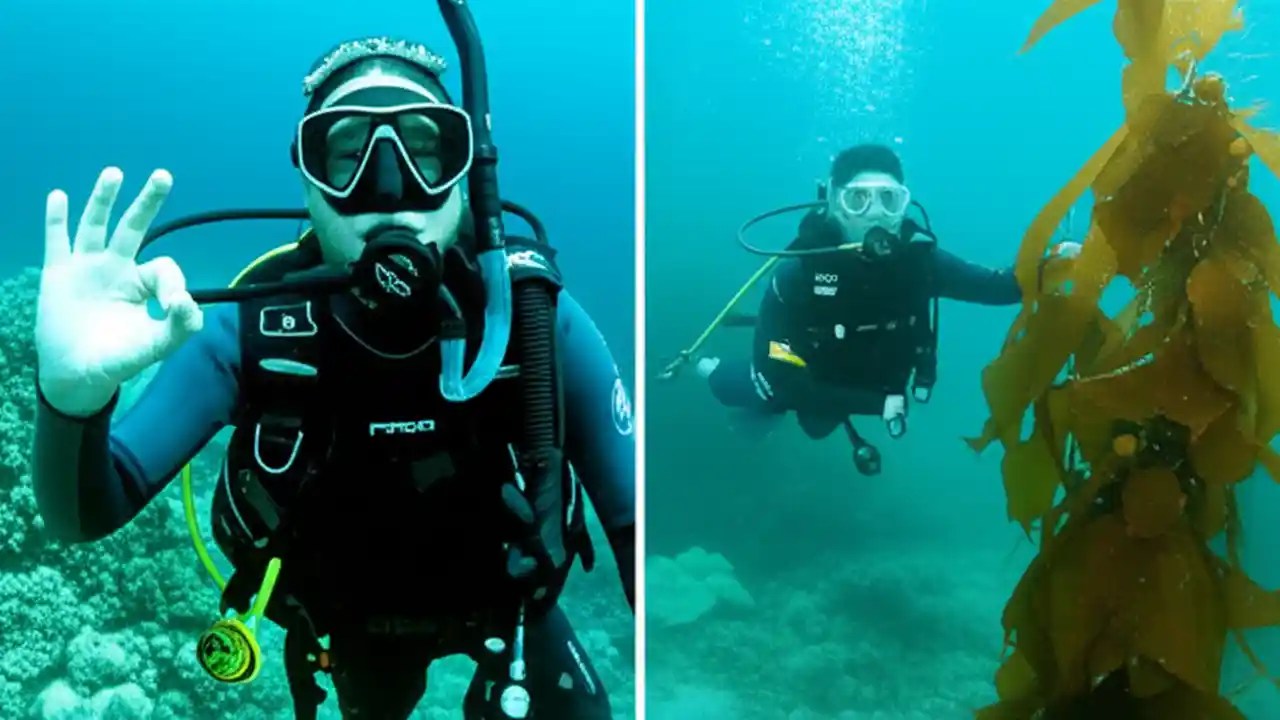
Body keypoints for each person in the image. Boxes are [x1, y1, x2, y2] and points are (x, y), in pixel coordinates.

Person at [31, 32, 633, 720]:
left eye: (425, 147)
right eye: (347, 155)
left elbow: (634, 520)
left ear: (469, 172)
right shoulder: (250, 327)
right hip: (345, 625)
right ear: (308, 180)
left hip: (509, 608)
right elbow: (85, 514)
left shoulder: (530, 318)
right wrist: (73, 401)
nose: (387, 186)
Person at [697, 143, 1078, 475]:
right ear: (833, 202)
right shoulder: (798, 275)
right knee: (761, 396)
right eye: (858, 199)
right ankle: (706, 367)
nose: (876, 214)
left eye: (889, 200)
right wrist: (879, 405)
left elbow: (997, 288)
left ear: (903, 205)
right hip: (809, 379)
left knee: (814, 422)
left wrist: (1059, 263)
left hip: (876, 381)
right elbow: (778, 379)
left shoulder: (921, 263)